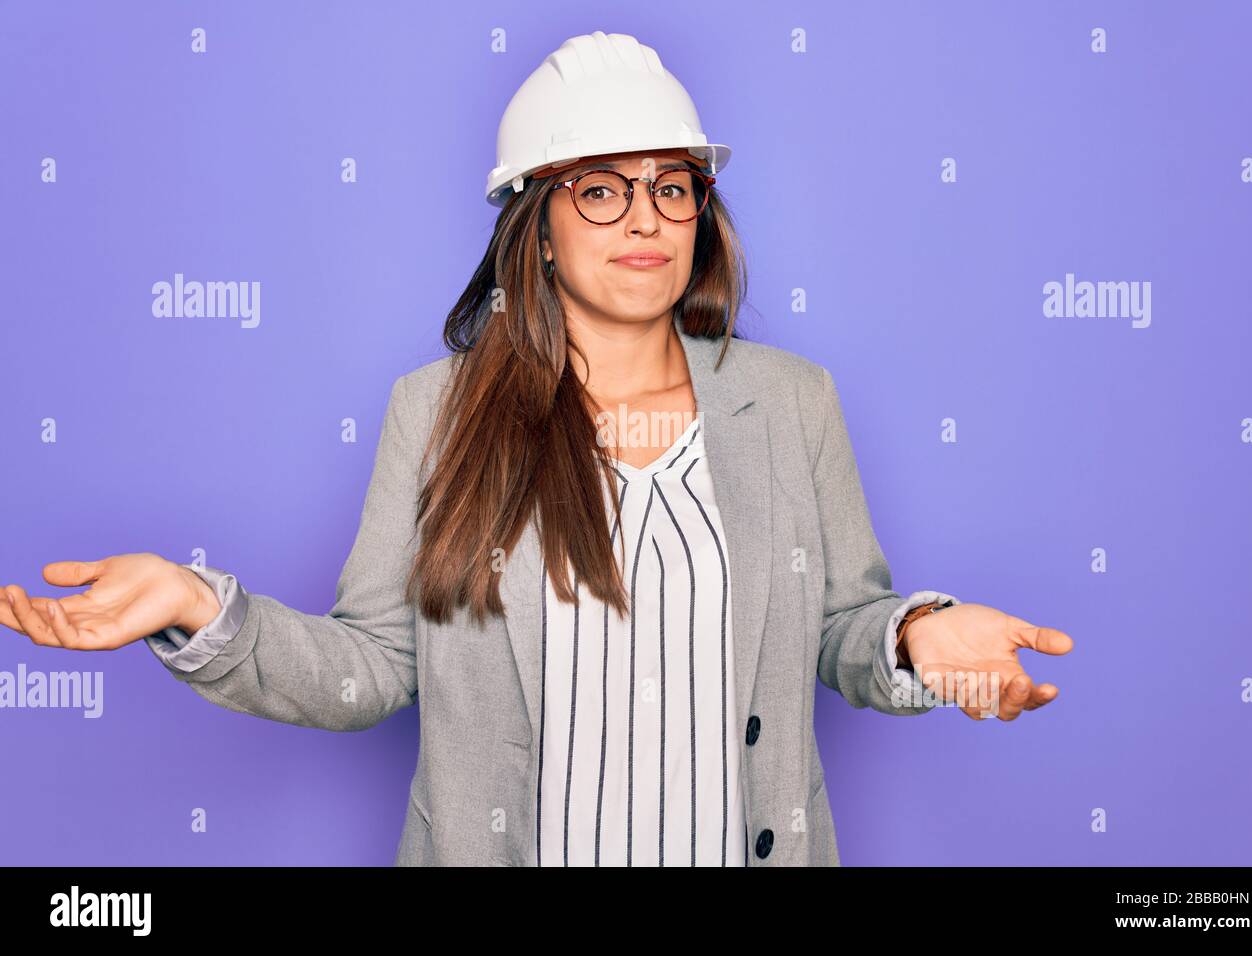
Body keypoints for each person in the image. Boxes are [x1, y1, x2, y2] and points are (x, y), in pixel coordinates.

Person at [0, 31, 1073, 866]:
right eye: (598, 187)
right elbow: (369, 667)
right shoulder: (437, 412)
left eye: (672, 184)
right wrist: (201, 605)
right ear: (536, 223)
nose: (643, 216)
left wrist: (918, 634)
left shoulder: (792, 401)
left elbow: (840, 624)